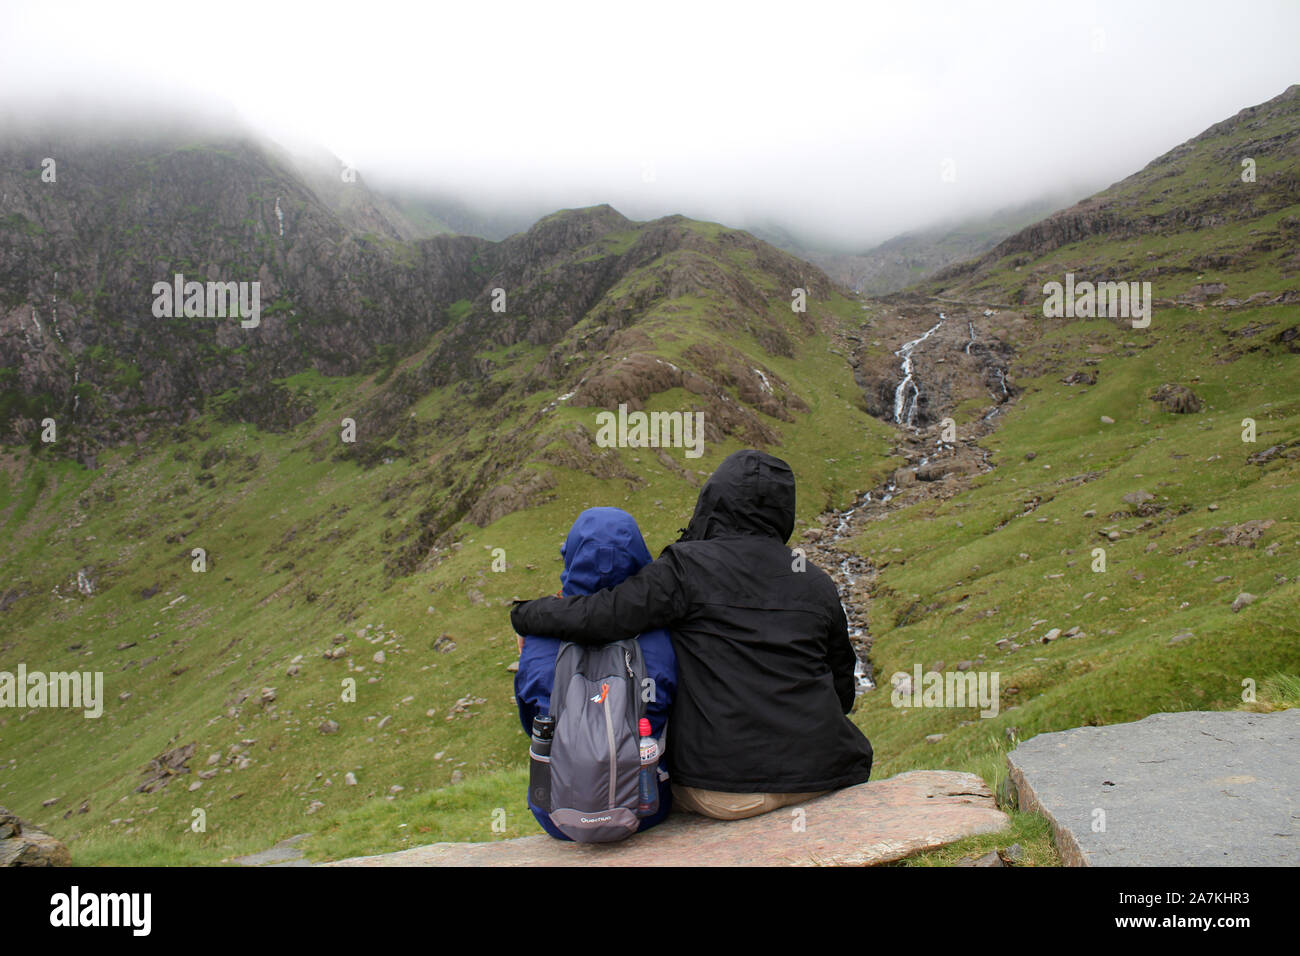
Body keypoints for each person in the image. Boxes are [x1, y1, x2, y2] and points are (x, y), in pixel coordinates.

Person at [511, 448, 872, 820]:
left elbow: (604, 616)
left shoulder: (685, 567)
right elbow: (842, 690)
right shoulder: (815, 582)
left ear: (714, 500)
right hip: (825, 776)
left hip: (722, 789)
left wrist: (525, 615)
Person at [514, 507, 676, 839]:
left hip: (555, 816)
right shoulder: (662, 636)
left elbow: (530, 719)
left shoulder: (539, 640)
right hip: (646, 809)